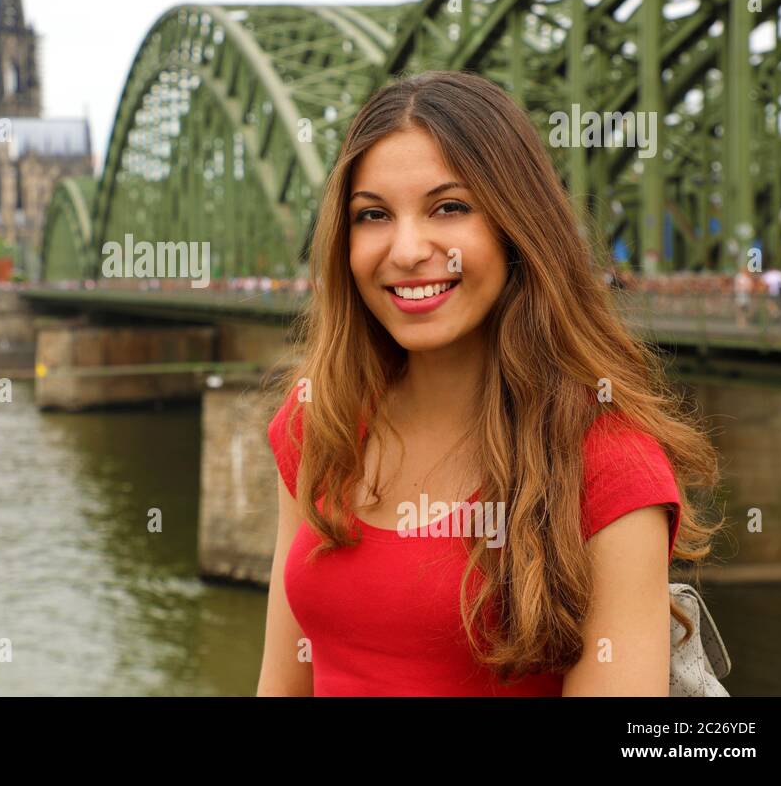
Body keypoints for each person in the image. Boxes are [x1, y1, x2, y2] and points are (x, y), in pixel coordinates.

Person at [256, 71, 722, 697]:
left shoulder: (608, 468)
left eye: (449, 207)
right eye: (373, 215)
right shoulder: (320, 419)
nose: (407, 249)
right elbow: (281, 683)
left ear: (515, 228)